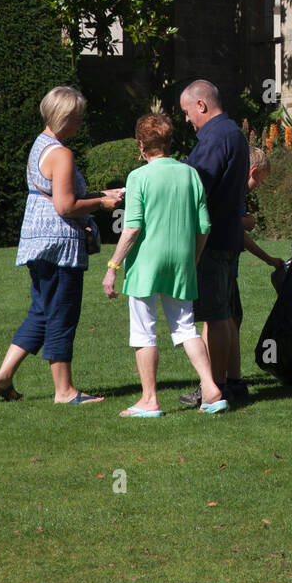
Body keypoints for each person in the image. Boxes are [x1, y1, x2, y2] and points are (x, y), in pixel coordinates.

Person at [0, 86, 123, 405]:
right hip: (59, 245)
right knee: (61, 314)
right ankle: (64, 391)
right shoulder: (62, 153)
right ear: (63, 118)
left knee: (42, 311)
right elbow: (65, 206)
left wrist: (100, 197)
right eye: (77, 118)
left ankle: (2, 377)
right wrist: (102, 205)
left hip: (37, 242)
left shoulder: (41, 145)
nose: (80, 124)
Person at [102, 113, 227, 415]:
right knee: (186, 327)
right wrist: (193, 259)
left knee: (144, 330)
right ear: (170, 142)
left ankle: (149, 400)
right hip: (181, 262)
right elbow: (204, 227)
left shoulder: (138, 177)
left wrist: (112, 267)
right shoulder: (190, 174)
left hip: (146, 263)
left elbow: (131, 228)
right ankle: (210, 388)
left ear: (141, 144)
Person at [178, 80, 249, 405]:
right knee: (225, 312)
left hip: (213, 238)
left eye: (187, 111)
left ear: (201, 105)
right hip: (228, 234)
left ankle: (215, 385)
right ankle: (232, 381)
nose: (187, 119)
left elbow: (196, 187)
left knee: (215, 314)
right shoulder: (231, 132)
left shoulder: (215, 136)